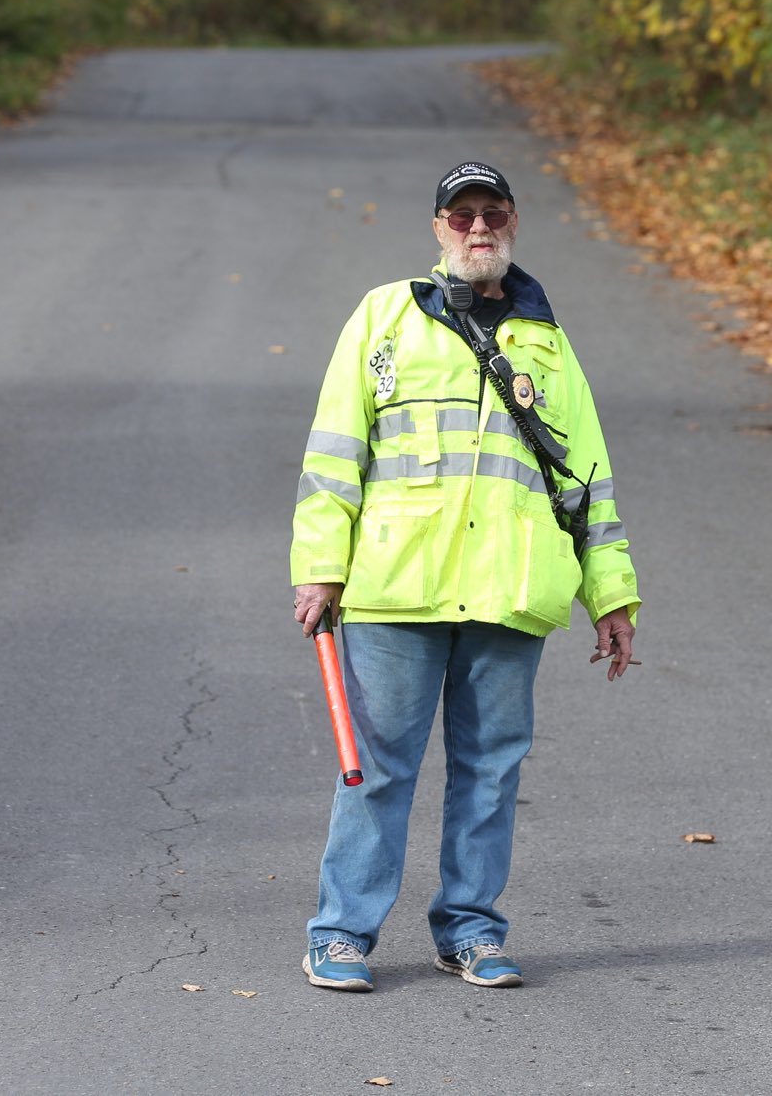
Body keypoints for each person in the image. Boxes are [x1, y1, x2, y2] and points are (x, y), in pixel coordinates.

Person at [290, 159, 641, 992]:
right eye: (462, 215)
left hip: (509, 591)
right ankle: (340, 933)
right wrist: (320, 568)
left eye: (493, 213)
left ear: (513, 223)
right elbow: (335, 450)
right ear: (438, 228)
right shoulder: (385, 316)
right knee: (377, 767)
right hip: (393, 588)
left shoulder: (549, 343)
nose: (478, 228)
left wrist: (611, 594)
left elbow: (586, 478)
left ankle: (472, 930)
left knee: (491, 769)